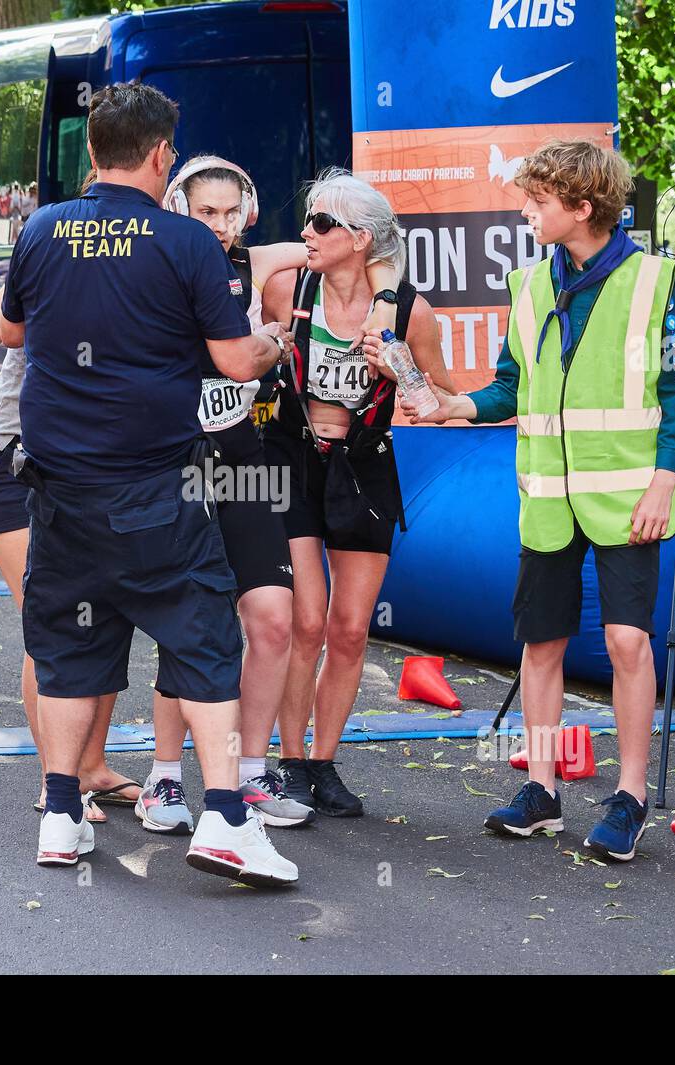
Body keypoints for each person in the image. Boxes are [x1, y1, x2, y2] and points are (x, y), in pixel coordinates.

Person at [0, 81, 299, 885]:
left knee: (68, 650)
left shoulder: (40, 230)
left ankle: (61, 814)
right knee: (204, 644)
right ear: (162, 155)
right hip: (157, 487)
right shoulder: (185, 242)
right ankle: (229, 818)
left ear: (92, 151)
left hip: (59, 488)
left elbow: (19, 329)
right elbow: (235, 362)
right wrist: (271, 340)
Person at [393, 139, 675, 862]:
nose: (525, 211)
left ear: (582, 207)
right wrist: (454, 408)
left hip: (630, 494)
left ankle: (628, 796)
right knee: (540, 644)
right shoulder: (529, 283)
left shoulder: (658, 281)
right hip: (547, 498)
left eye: (537, 201)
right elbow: (510, 384)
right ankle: (541, 790)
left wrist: (664, 480)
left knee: (628, 642)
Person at [137, 156, 403, 833]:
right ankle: (165, 777)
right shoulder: (154, 262)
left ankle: (253, 773)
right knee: (192, 625)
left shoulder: (254, 264)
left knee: (278, 623)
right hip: (179, 464)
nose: (221, 225)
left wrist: (388, 299)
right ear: (178, 208)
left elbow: (372, 242)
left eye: (233, 212)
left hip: (246, 463)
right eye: (207, 212)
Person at [260, 170, 449, 818]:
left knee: (348, 629)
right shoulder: (288, 287)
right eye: (307, 218)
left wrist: (396, 364)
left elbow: (434, 398)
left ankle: (323, 762)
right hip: (296, 461)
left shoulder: (410, 312)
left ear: (361, 238)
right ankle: (288, 762)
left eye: (321, 223)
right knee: (307, 620)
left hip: (365, 466)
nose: (306, 232)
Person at [0, 290, 144, 822]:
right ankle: (54, 781)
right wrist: (33, 307)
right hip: (9, 465)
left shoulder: (142, 263)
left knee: (107, 615)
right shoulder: (42, 264)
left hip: (88, 471)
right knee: (54, 619)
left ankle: (93, 767)